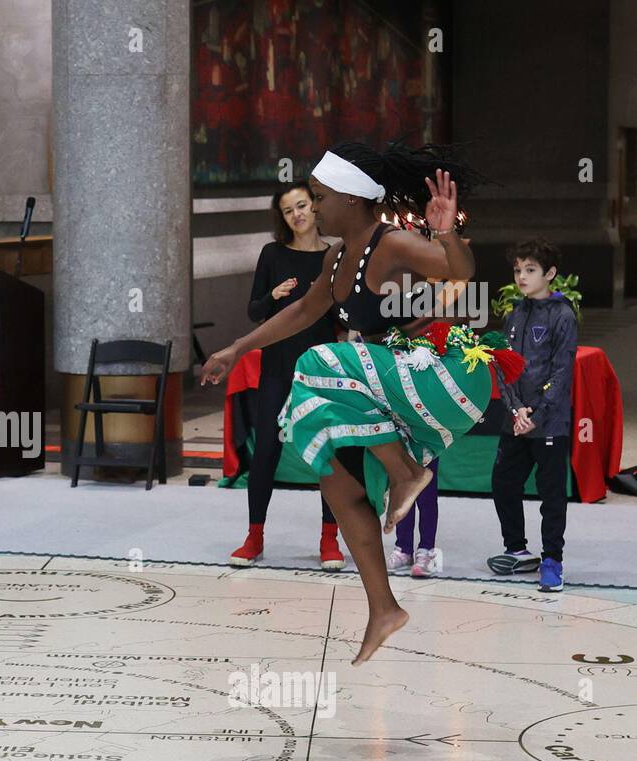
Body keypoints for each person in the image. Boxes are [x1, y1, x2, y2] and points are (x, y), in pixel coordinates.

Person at [202, 141, 519, 664]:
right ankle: (383, 607)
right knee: (331, 469)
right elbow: (304, 310)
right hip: (391, 385)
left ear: (351, 198)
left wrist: (444, 231)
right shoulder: (337, 257)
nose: (314, 206)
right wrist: (238, 349)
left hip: (446, 378)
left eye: (321, 197)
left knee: (318, 360)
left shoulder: (391, 243)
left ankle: (405, 472)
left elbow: (457, 272)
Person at [231, 181, 345, 570]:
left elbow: (342, 317)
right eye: (288, 210)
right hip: (278, 368)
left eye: (301, 205)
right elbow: (251, 310)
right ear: (282, 217)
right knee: (265, 452)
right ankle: (254, 536)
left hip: (322, 370)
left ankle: (329, 540)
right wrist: (273, 297)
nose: (297, 214)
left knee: (327, 455)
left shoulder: (335, 255)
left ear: (315, 206)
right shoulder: (272, 254)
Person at [488, 237, 577, 592]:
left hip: (549, 423)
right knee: (503, 483)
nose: (522, 277)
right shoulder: (514, 312)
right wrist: (514, 411)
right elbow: (503, 367)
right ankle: (518, 550)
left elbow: (561, 373)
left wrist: (535, 415)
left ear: (550, 274)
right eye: (517, 270)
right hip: (516, 421)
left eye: (530, 270)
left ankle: (552, 560)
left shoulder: (563, 315)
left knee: (551, 494)